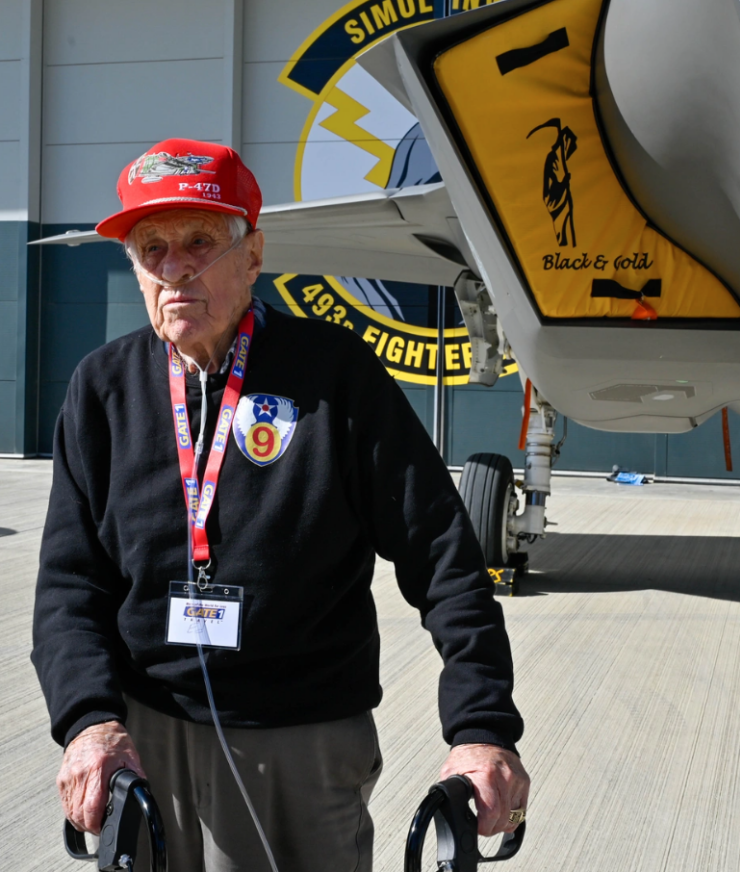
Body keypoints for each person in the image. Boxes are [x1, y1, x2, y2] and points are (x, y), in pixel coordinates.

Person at [32, 138, 529, 872]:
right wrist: (88, 723)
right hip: (144, 737)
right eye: (151, 248)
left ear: (253, 255)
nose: (175, 268)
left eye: (200, 242)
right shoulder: (102, 389)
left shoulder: (336, 375)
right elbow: (70, 584)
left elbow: (443, 557)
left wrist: (482, 727)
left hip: (302, 739)